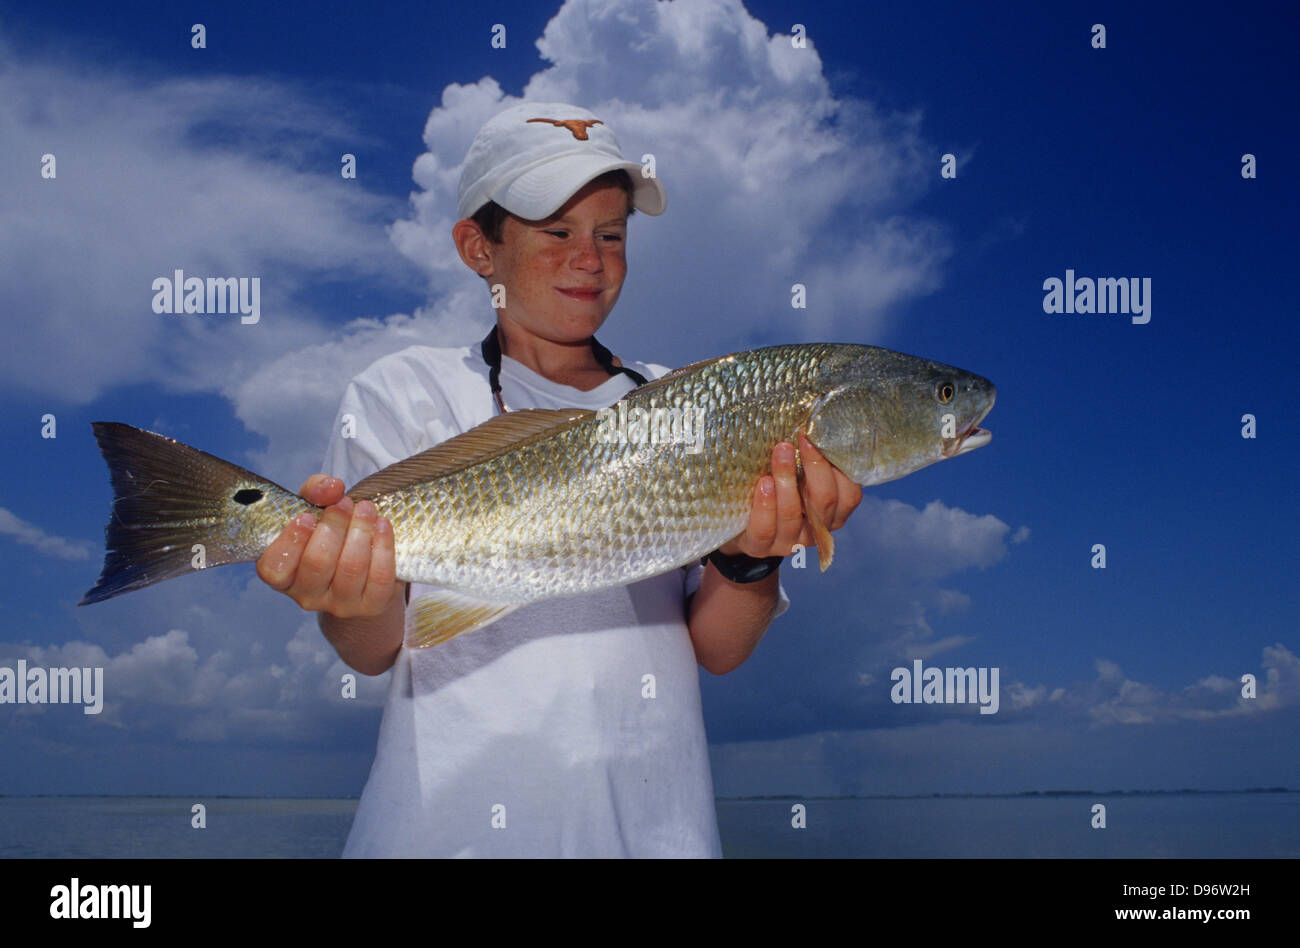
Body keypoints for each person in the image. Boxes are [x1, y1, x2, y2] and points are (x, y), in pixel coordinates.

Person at [255, 102, 862, 856]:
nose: (592, 258)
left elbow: (718, 649)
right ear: (478, 247)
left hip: (655, 835)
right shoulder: (404, 391)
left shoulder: (687, 402)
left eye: (612, 234)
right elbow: (371, 649)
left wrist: (752, 557)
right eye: (557, 232)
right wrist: (345, 591)